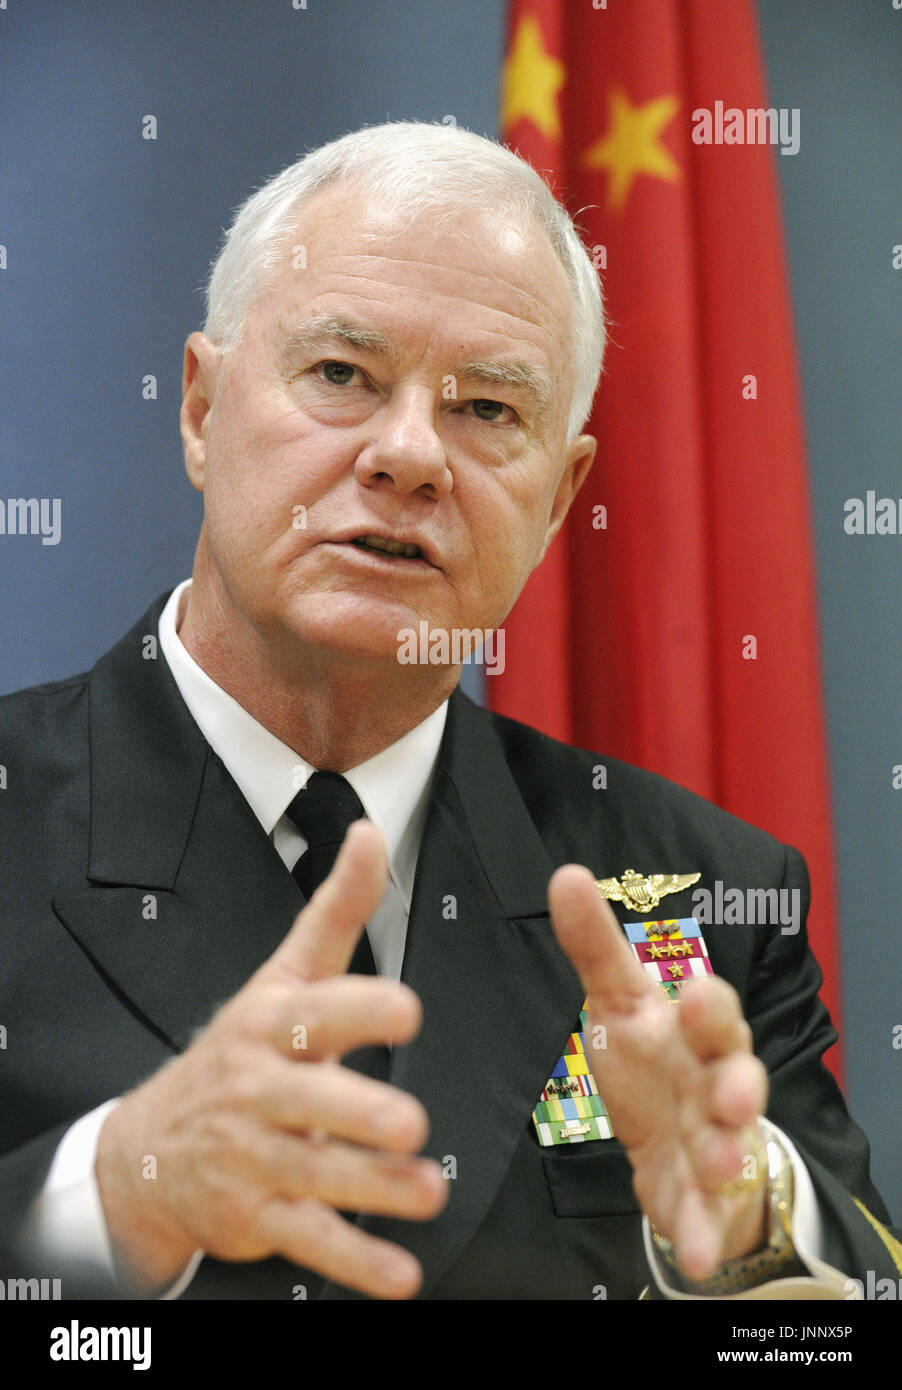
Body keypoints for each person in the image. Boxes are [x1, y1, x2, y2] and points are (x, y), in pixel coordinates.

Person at [0, 122, 898, 1302]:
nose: (411, 453)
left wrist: (746, 1227)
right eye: (340, 376)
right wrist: (107, 1201)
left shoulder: (699, 891)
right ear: (201, 410)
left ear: (559, 494)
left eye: (486, 409)